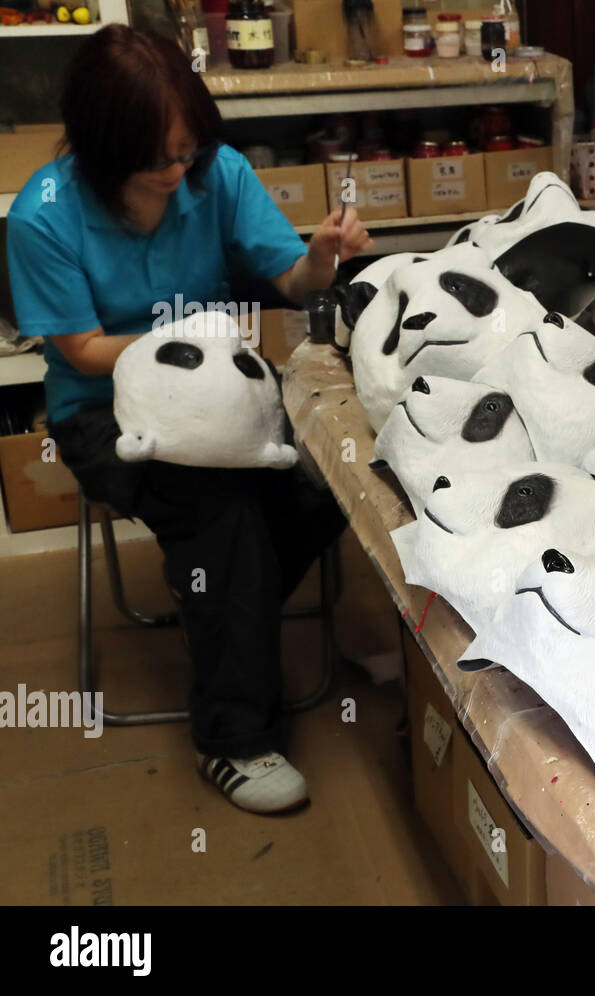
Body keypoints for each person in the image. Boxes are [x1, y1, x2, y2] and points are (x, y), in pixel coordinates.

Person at [6, 26, 373, 814]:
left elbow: (290, 279)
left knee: (335, 474)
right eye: (159, 158)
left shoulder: (219, 172)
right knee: (225, 512)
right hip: (104, 413)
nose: (180, 171)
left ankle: (224, 607)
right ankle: (232, 738)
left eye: (187, 151)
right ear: (104, 149)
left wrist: (323, 257)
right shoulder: (43, 215)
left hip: (228, 389)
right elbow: (83, 348)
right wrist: (193, 341)